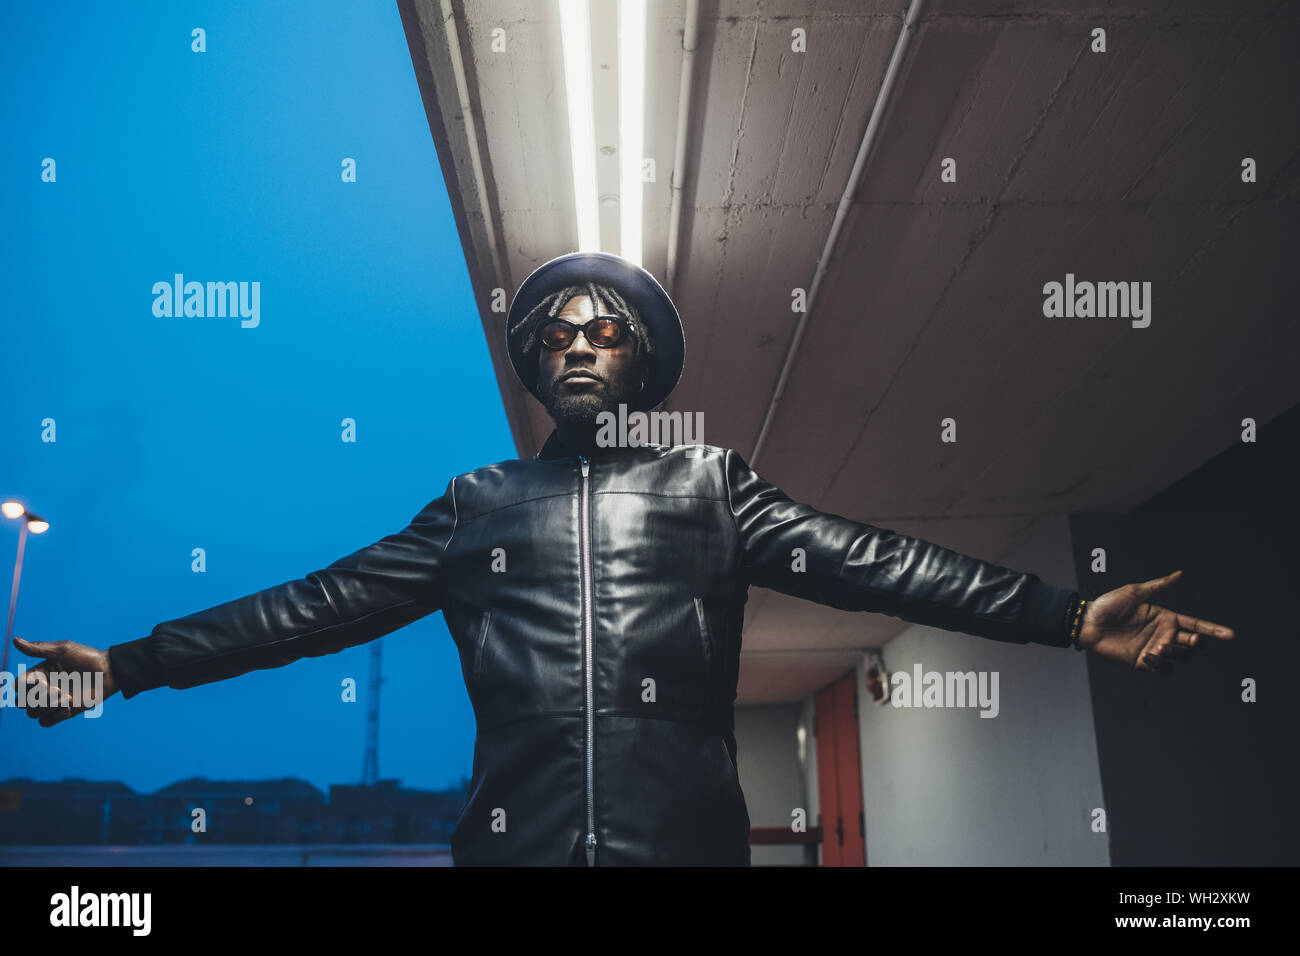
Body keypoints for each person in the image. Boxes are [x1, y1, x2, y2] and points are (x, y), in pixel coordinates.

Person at [13, 251, 1235, 866]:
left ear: (640, 364)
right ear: (537, 365)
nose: (582, 341)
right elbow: (315, 606)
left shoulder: (712, 490)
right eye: (558, 331)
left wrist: (1068, 615)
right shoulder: (475, 506)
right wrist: (124, 664)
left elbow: (878, 565)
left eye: (610, 330)